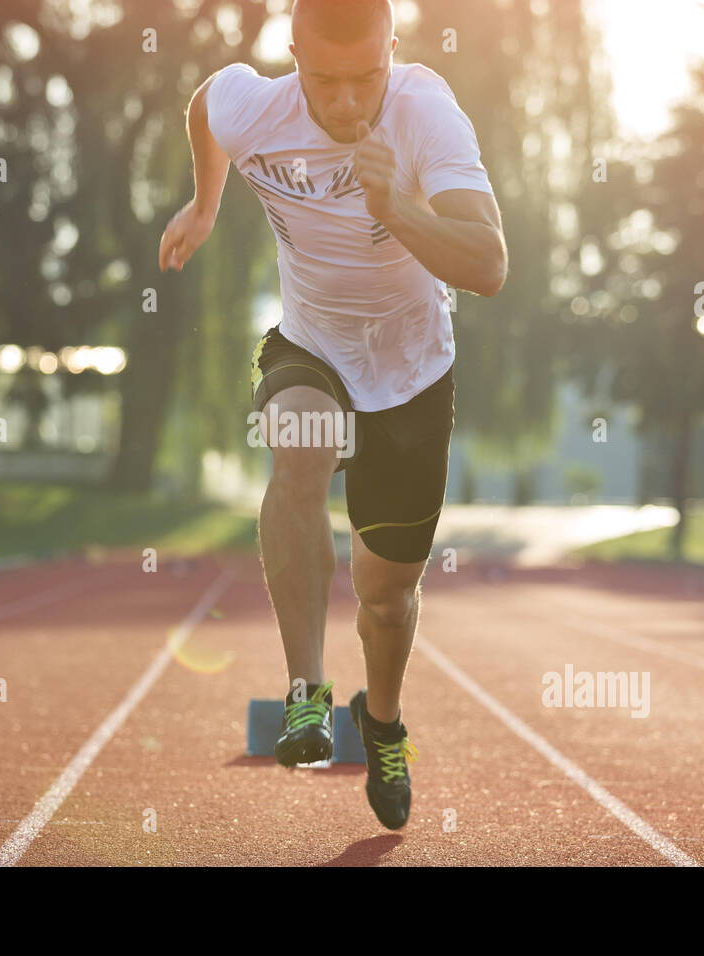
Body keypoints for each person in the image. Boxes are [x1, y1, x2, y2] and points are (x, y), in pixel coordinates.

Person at [158, 0, 506, 830]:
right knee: (300, 447)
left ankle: (380, 721)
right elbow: (207, 101)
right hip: (308, 346)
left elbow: (490, 264)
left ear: (395, 51)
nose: (349, 103)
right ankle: (305, 692)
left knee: (386, 599)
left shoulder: (426, 111)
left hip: (413, 374)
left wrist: (402, 211)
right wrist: (205, 205)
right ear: (293, 55)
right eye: (325, 82)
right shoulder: (259, 109)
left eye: (367, 80)